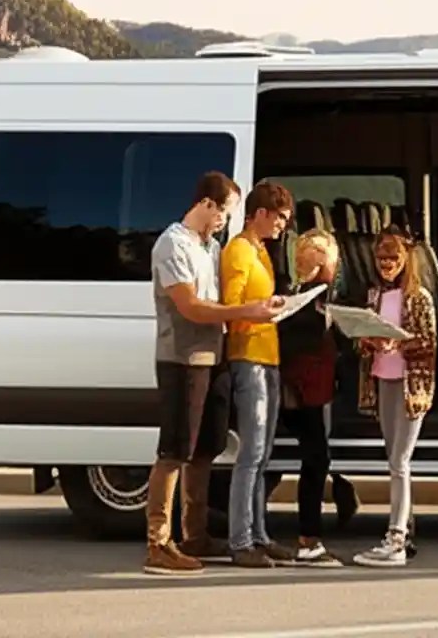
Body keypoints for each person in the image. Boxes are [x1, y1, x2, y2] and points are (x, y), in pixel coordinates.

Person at [144, 171, 284, 576]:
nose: (227, 219)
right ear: (206, 203)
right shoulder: (173, 245)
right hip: (182, 359)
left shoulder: (210, 246)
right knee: (174, 450)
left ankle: (196, 533)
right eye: (225, 210)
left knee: (207, 447)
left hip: (213, 356)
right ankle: (158, 542)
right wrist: (247, 311)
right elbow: (190, 307)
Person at [220, 180, 298, 568]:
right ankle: (241, 540)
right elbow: (231, 308)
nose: (283, 225)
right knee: (250, 453)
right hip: (248, 354)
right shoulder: (238, 251)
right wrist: (259, 310)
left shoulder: (261, 251)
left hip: (268, 355)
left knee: (263, 452)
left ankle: (259, 534)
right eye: (280, 218)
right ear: (261, 214)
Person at [351, 225, 438, 568]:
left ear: (406, 259)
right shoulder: (374, 296)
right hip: (382, 381)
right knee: (393, 458)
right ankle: (404, 528)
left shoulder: (418, 298)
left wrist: (397, 343)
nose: (386, 263)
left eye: (393, 257)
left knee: (400, 461)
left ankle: (396, 536)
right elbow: (362, 341)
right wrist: (367, 341)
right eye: (381, 257)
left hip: (410, 386)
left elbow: (429, 343)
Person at [277, 228, 347, 567]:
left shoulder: (296, 294)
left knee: (315, 459)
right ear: (321, 265)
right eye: (333, 261)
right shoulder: (311, 302)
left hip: (305, 392)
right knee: (316, 460)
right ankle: (308, 539)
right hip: (306, 394)